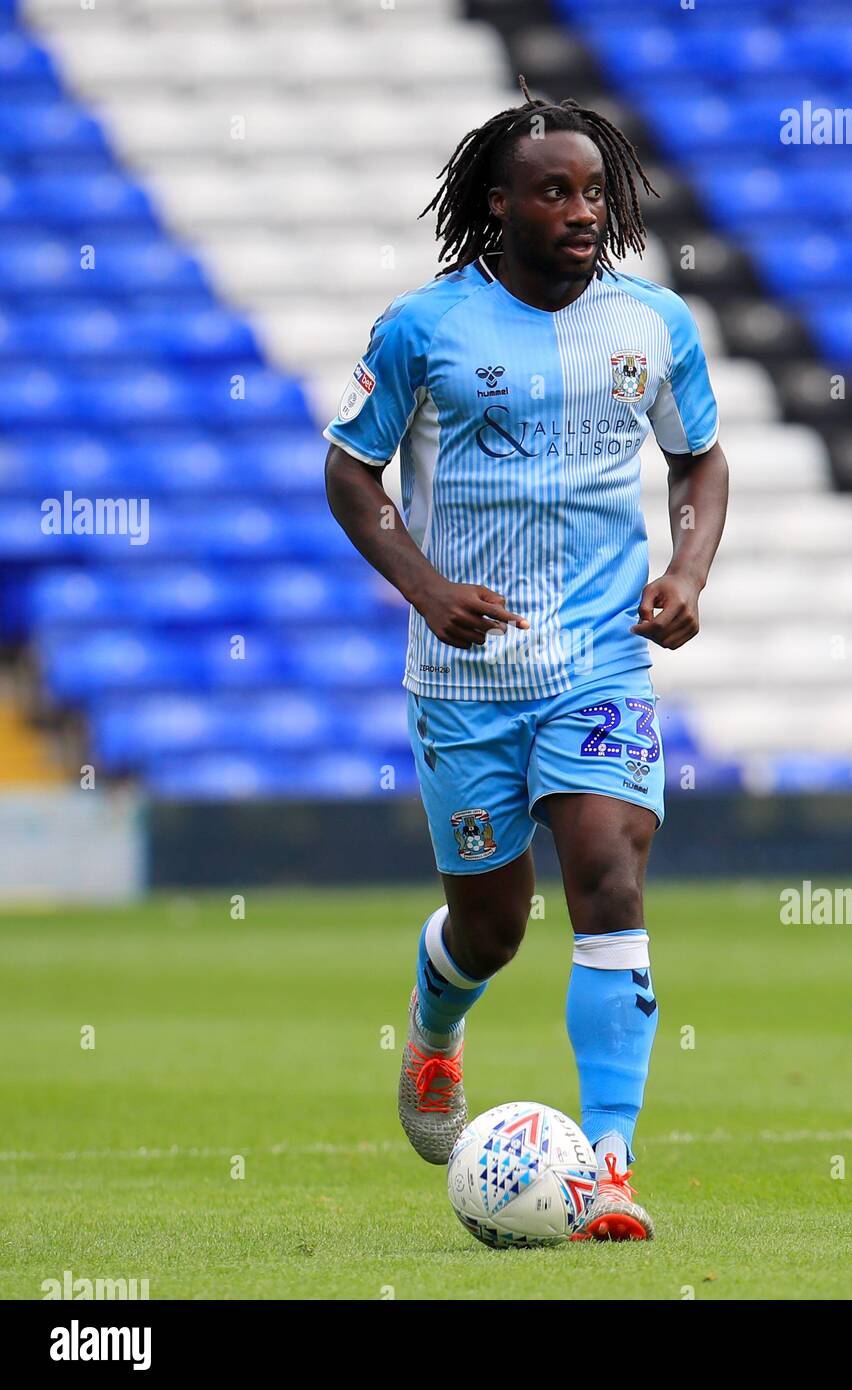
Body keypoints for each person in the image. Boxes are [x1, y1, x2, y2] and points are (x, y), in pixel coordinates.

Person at [324, 78, 729, 1240]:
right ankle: (438, 1021)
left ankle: (608, 1164)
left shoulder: (652, 325)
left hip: (600, 662)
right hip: (463, 683)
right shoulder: (423, 329)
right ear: (498, 205)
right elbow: (352, 472)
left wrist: (689, 574)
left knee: (609, 876)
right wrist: (427, 587)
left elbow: (699, 460)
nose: (583, 209)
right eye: (554, 191)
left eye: (595, 189)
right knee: (494, 925)